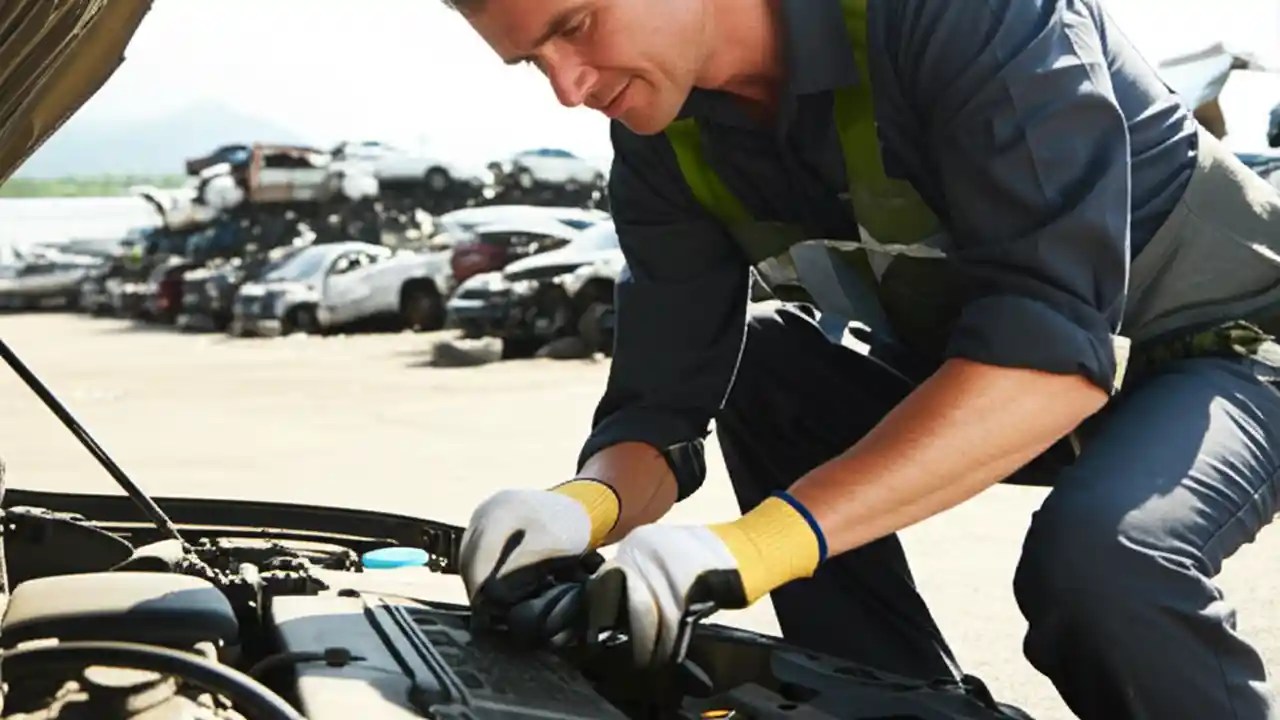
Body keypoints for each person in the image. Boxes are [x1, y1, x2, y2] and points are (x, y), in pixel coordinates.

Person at [450, 0, 1280, 717]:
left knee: (1105, 562)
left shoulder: (964, 17)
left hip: (1223, 349)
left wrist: (755, 546)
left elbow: (1047, 356)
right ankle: (897, 704)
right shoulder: (663, 134)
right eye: (534, 62)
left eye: (579, 25)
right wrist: (583, 507)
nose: (568, 87)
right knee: (767, 362)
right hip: (1015, 373)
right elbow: (661, 406)